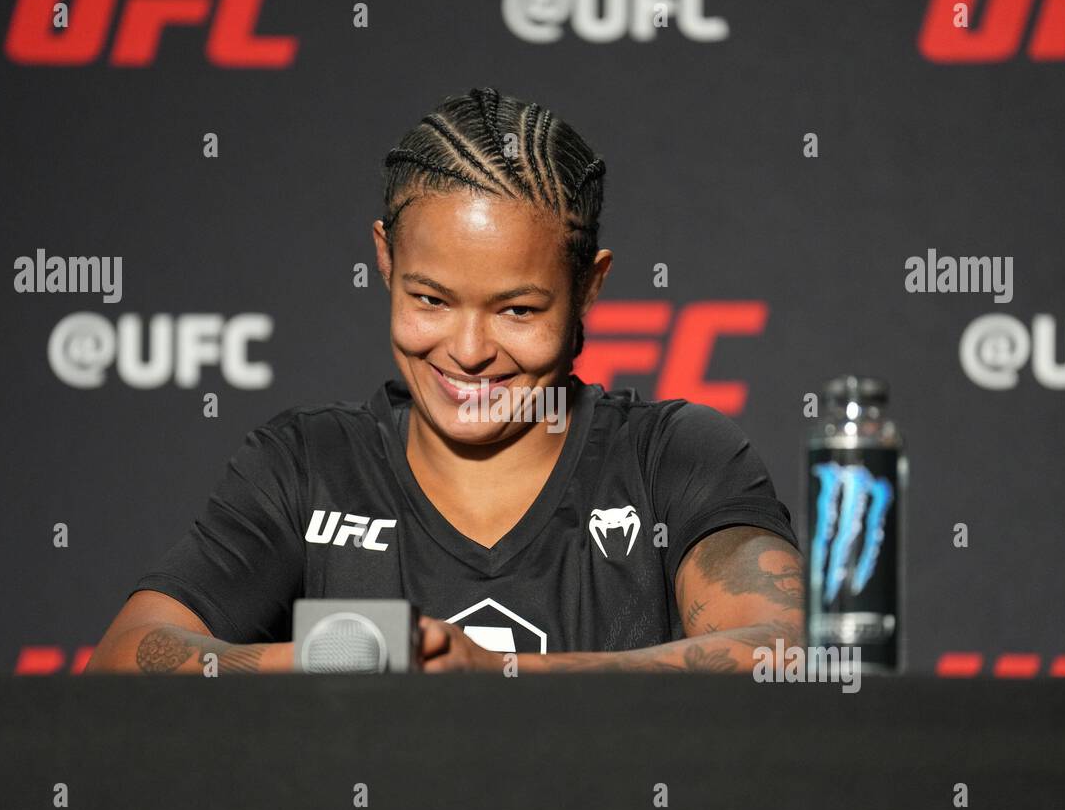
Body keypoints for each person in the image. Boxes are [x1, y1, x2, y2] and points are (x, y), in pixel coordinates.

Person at [86, 87, 803, 675]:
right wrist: (356, 652)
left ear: (588, 287)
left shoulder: (674, 460)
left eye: (517, 310)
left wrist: (497, 675)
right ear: (386, 261)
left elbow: (784, 655)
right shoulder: (307, 466)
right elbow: (122, 661)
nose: (467, 351)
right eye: (430, 300)